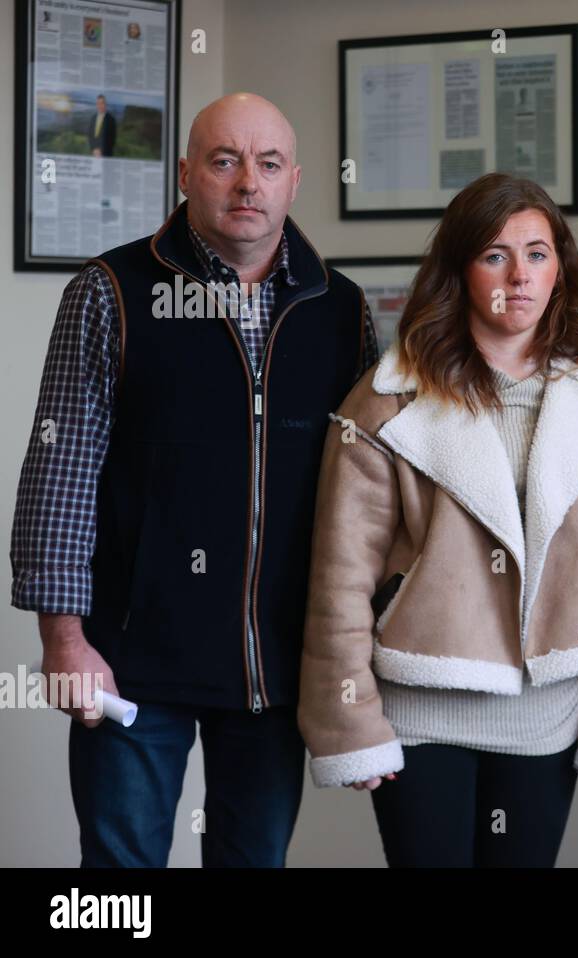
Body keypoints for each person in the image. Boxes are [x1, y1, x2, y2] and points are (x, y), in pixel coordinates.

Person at [10, 93, 378, 866]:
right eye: (224, 161)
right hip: (130, 659)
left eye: (268, 164)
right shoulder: (110, 291)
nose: (248, 182)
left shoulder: (340, 310)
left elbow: (369, 494)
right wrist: (64, 639)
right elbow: (61, 469)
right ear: (185, 174)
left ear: (294, 181)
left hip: (277, 664)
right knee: (119, 880)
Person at [297, 172, 578, 868]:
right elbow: (339, 579)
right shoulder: (386, 403)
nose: (518, 275)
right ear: (459, 271)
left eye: (538, 252)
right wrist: (349, 720)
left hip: (546, 717)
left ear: (562, 267)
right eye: (495, 254)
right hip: (418, 710)